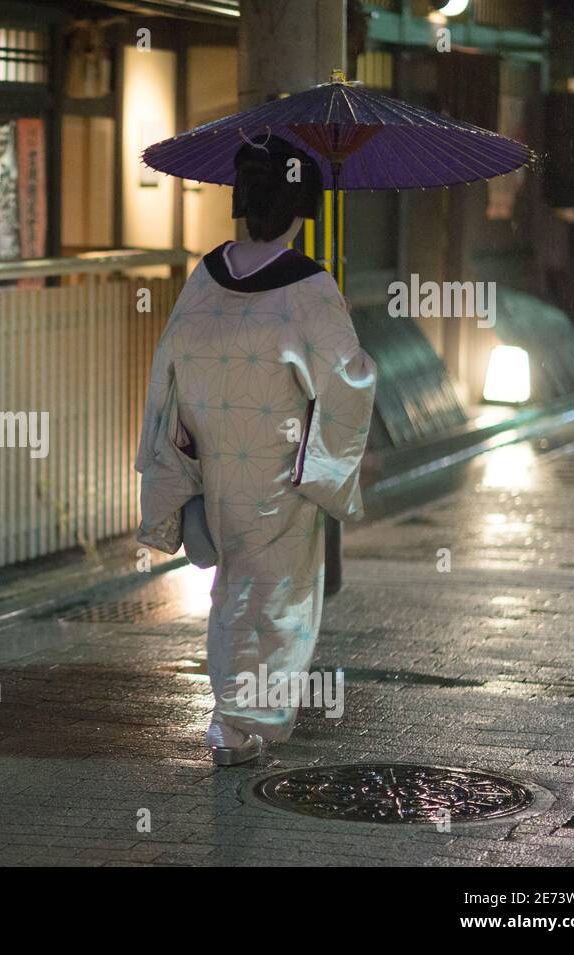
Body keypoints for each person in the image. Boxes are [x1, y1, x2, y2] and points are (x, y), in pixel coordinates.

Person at [135, 134, 377, 766]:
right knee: (273, 599)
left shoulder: (204, 276)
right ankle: (239, 727)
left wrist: (178, 463)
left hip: (212, 464)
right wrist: (324, 465)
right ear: (301, 211)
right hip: (282, 471)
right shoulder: (309, 286)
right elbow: (348, 381)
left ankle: (229, 718)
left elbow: (170, 369)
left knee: (231, 596)